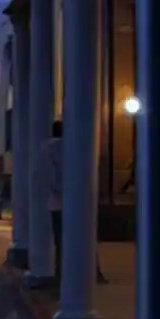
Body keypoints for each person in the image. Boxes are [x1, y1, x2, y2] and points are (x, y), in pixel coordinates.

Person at [41, 121, 107, 284]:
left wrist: (52, 189)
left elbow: (46, 174)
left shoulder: (49, 149)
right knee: (85, 238)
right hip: (81, 201)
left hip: (57, 202)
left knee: (61, 240)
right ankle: (92, 271)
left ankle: (62, 274)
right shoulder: (78, 148)